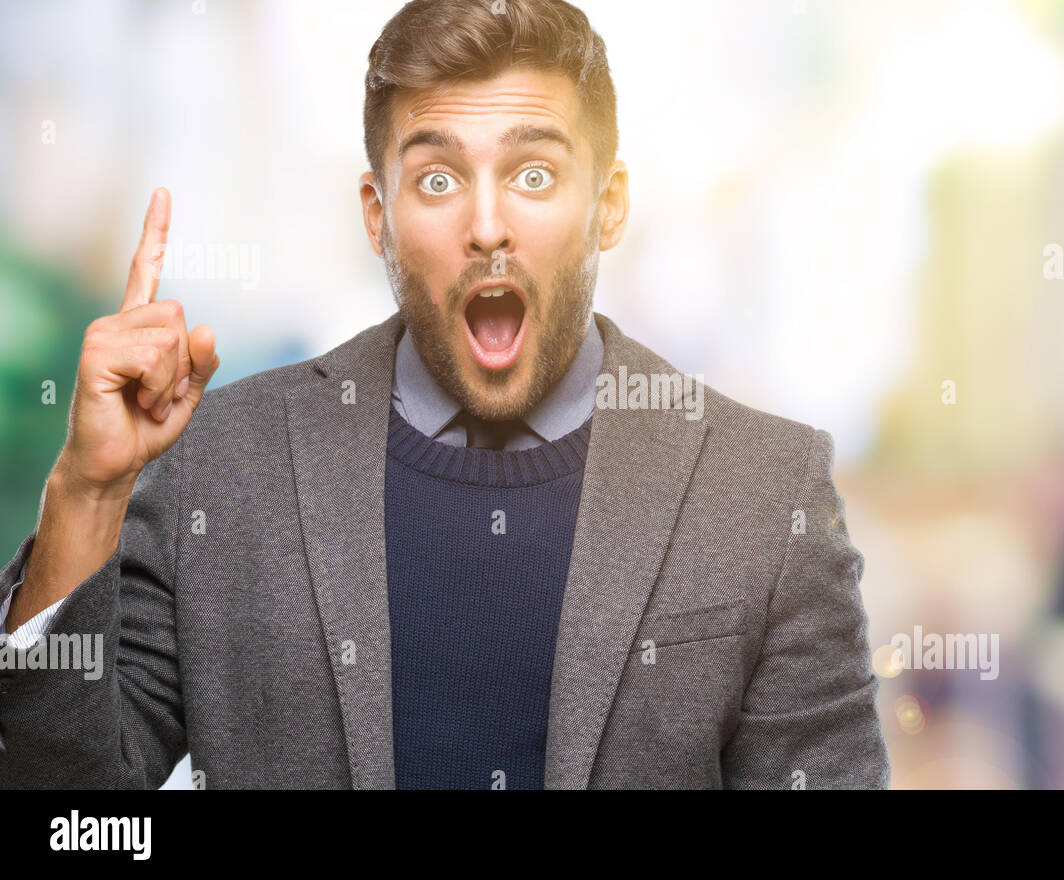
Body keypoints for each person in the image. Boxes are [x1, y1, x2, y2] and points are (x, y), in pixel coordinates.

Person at [0, 0, 889, 790]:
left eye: (534, 175)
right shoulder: (221, 467)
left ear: (609, 206)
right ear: (377, 216)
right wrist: (86, 490)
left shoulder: (765, 491)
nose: (488, 225)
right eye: (436, 179)